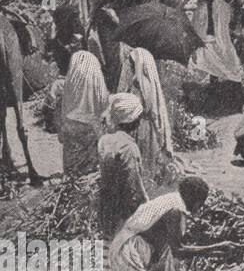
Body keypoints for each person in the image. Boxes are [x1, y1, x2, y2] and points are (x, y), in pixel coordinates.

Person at [117, 47, 173, 190]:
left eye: (129, 64)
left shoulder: (140, 85)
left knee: (139, 161)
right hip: (146, 127)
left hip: (139, 127)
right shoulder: (146, 83)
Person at [97, 93, 149, 239]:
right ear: (132, 119)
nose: (139, 121)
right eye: (138, 116)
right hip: (123, 211)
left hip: (106, 206)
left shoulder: (105, 140)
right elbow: (133, 187)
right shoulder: (129, 148)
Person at [61, 51, 109, 177]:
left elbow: (63, 106)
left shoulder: (70, 80)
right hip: (90, 128)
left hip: (70, 126)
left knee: (72, 170)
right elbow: (104, 102)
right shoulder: (95, 78)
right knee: (89, 172)